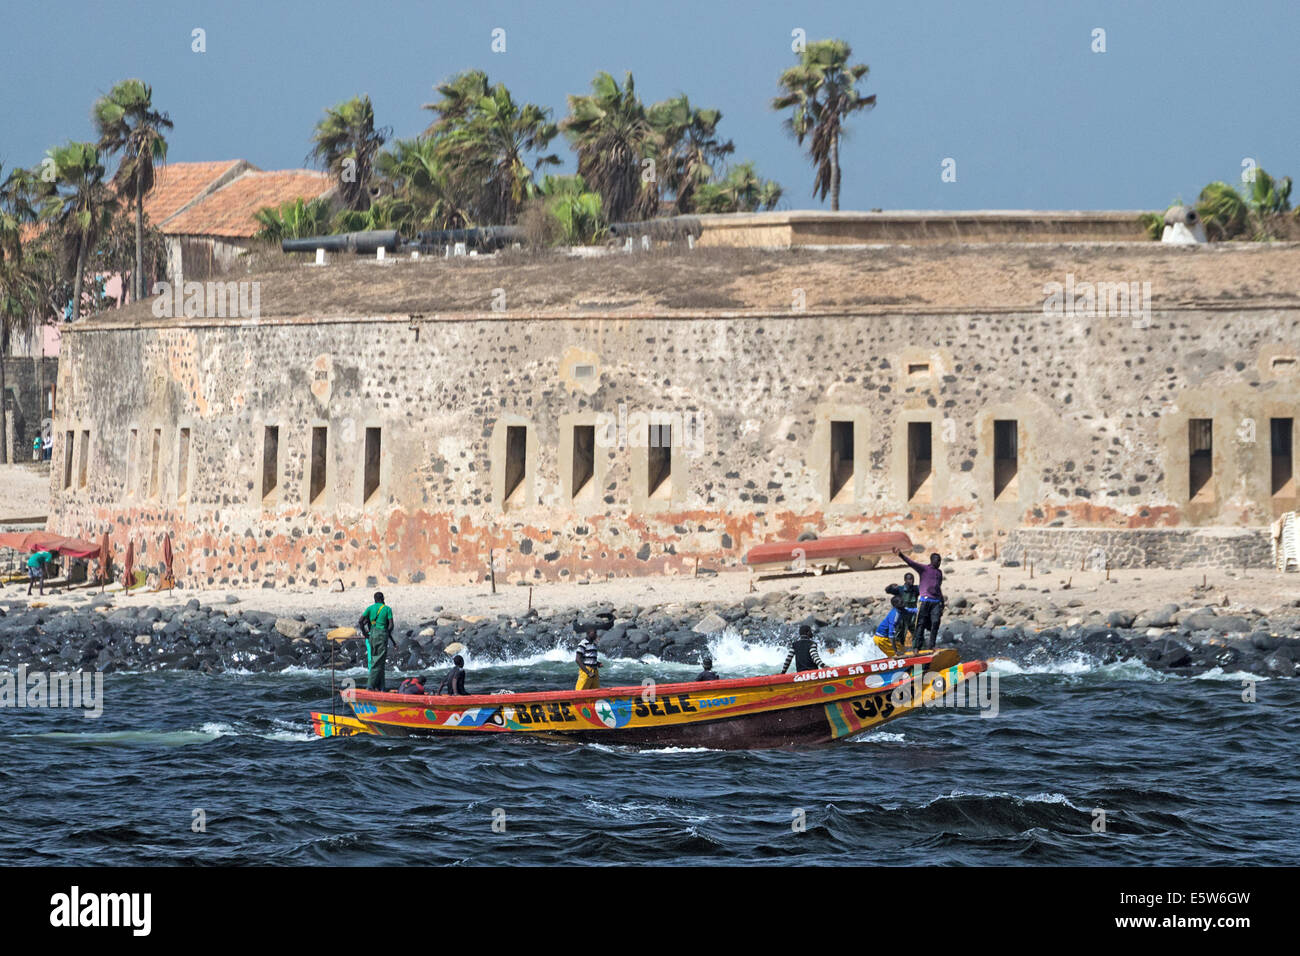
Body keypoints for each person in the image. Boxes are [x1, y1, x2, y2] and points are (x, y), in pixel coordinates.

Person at [894, 549, 945, 651]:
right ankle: (916, 647)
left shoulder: (939, 573)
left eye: (940, 561)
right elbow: (911, 563)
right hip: (924, 601)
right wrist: (900, 554)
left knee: (935, 623)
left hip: (936, 602)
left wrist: (942, 601)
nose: (939, 563)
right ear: (932, 560)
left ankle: (932, 646)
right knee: (920, 624)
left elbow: (938, 587)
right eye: (937, 561)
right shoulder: (924, 569)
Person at [357, 591, 394, 691]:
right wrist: (387, 633)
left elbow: (361, 621)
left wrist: (364, 633)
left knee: (377, 660)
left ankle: (381, 686)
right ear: (383, 599)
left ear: (374, 599)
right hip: (382, 635)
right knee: (378, 661)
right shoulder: (387, 609)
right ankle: (370, 685)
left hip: (372, 636)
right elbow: (391, 625)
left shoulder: (370, 608)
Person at [885, 572, 920, 649]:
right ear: (905, 580)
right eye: (909, 579)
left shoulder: (916, 589)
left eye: (912, 579)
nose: (911, 581)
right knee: (900, 635)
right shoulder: (899, 589)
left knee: (917, 633)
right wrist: (890, 586)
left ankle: (918, 648)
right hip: (901, 618)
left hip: (912, 617)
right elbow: (887, 590)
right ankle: (897, 650)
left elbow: (926, 589)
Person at [575, 626, 601, 690]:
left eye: (596, 633)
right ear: (589, 634)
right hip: (586, 671)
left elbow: (589, 658)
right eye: (594, 633)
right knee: (581, 690)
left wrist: (597, 663)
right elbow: (578, 659)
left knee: (595, 691)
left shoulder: (594, 644)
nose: (595, 634)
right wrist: (588, 672)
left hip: (594, 671)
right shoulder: (583, 644)